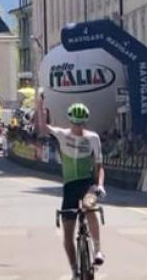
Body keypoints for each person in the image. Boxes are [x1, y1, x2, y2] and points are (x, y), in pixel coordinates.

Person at [47, 103, 106, 278]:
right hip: (69, 187)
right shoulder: (63, 135)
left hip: (88, 184)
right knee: (68, 235)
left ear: (85, 123)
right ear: (70, 122)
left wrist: (100, 185)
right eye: (75, 124)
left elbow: (99, 165)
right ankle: (74, 270)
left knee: (89, 206)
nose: (78, 127)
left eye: (81, 124)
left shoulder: (93, 138)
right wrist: (39, 102)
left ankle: (98, 251)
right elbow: (42, 127)